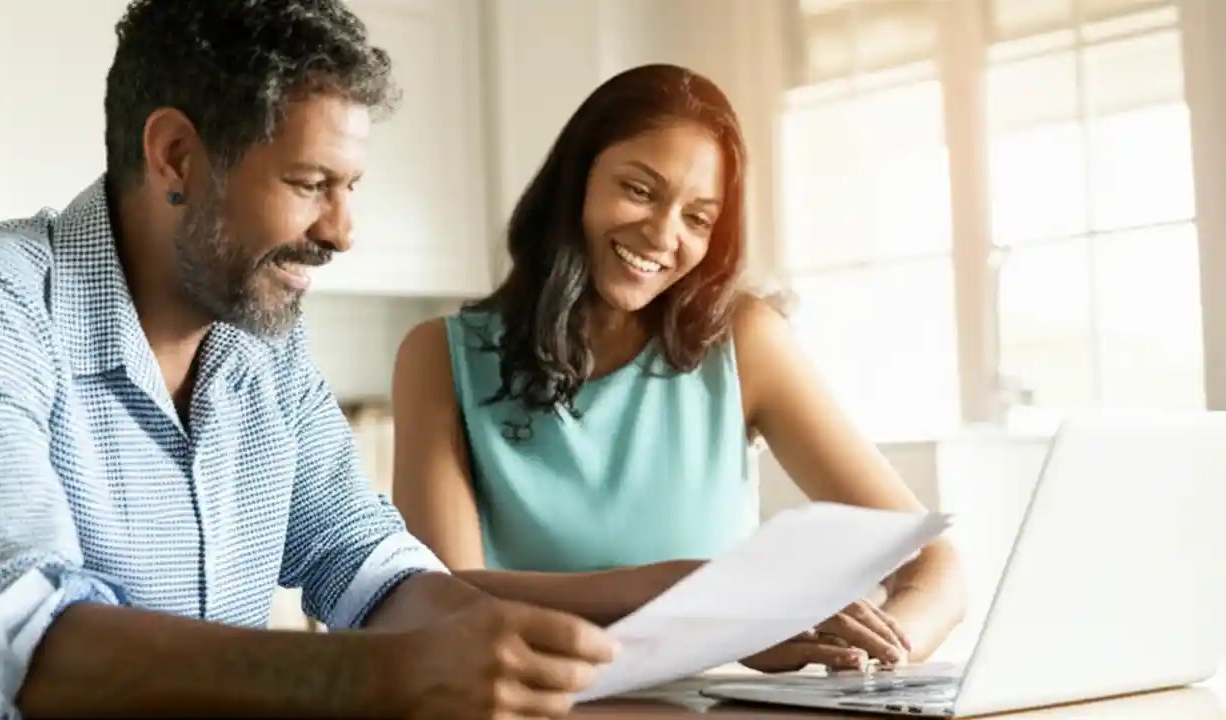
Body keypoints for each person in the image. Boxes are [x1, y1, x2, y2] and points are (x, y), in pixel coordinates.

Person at [0, 1, 616, 717]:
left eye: (349, 186)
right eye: (309, 184)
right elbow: (24, 641)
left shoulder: (263, 335)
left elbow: (363, 558)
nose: (341, 231)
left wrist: (495, 641)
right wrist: (384, 675)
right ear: (175, 154)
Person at [393, 63, 966, 673]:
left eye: (698, 217)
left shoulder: (744, 341)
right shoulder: (438, 356)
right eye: (639, 189)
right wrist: (689, 595)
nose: (664, 235)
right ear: (576, 179)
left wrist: (874, 655)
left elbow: (933, 562)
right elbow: (441, 597)